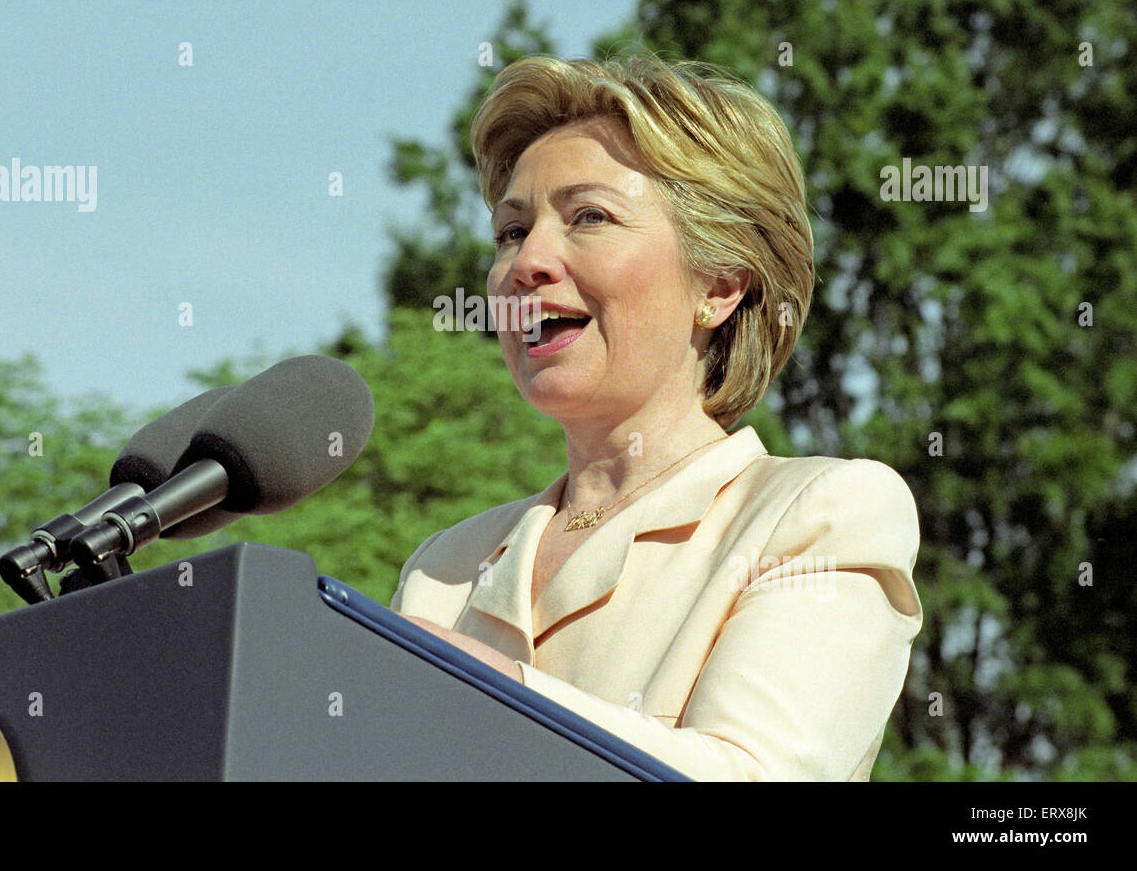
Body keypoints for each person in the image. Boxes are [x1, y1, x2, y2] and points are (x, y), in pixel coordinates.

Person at [390, 53, 922, 781]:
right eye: (512, 232)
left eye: (589, 217)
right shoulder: (441, 570)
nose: (528, 262)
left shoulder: (821, 515)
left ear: (721, 284)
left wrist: (500, 692)